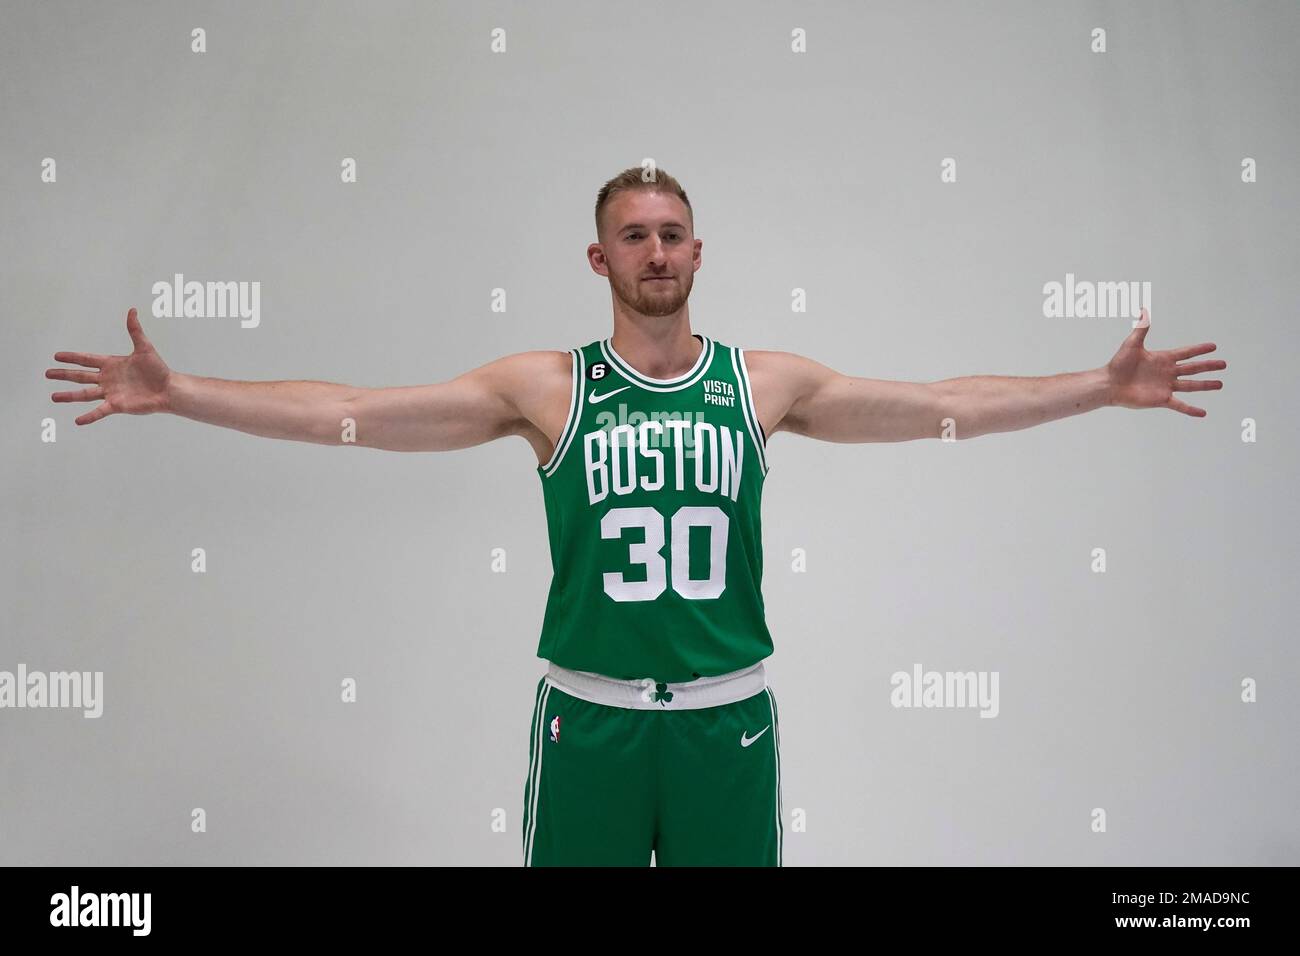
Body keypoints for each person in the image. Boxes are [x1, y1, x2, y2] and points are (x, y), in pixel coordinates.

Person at [46, 167, 1227, 866]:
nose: (654, 249)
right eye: (633, 234)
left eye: (671, 232)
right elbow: (351, 408)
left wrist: (1097, 384)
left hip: (726, 723)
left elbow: (940, 406)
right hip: (590, 723)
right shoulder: (545, 387)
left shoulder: (763, 383)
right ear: (598, 254)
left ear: (697, 250)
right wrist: (180, 391)